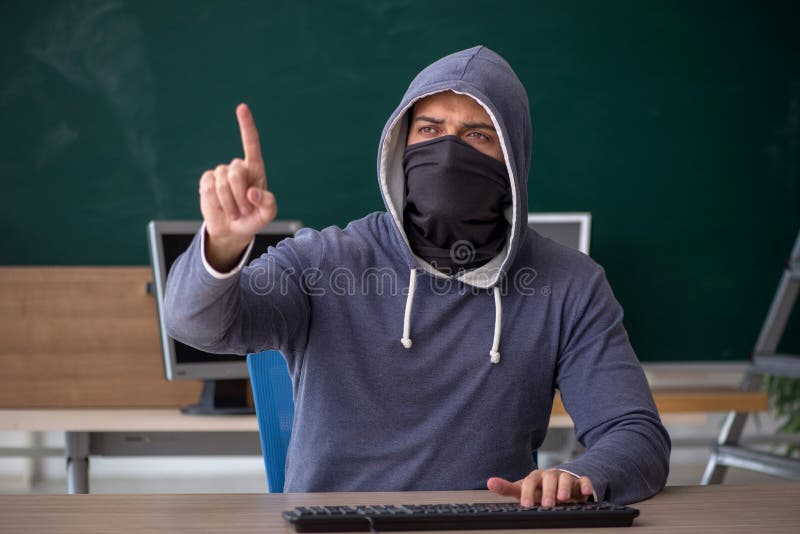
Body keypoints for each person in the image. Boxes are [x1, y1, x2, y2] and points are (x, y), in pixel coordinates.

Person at [164, 46, 670, 506]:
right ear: (400, 147)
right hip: (333, 528)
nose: (449, 154)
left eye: (477, 135)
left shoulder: (569, 285)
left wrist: (579, 477)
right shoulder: (323, 261)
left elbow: (636, 435)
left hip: (485, 529)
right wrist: (223, 245)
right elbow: (196, 324)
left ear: (514, 158)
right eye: (429, 130)